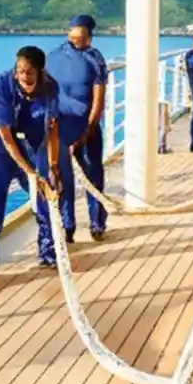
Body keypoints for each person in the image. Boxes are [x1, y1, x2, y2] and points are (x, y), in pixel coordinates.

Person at [0, 46, 64, 293]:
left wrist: (52, 166)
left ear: (41, 72)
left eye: (30, 72)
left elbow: (52, 129)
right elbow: (6, 136)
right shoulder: (1, 84)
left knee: (46, 195)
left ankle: (49, 252)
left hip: (31, 144)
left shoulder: (50, 88)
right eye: (20, 71)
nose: (24, 77)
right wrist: (30, 173)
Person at [46, 14, 110, 243]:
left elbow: (98, 98)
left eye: (80, 38)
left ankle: (96, 222)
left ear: (89, 37)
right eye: (73, 37)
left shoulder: (94, 59)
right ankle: (68, 225)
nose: (75, 42)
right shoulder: (52, 58)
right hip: (61, 126)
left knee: (92, 173)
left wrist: (89, 129)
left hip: (85, 126)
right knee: (63, 177)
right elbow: (47, 94)